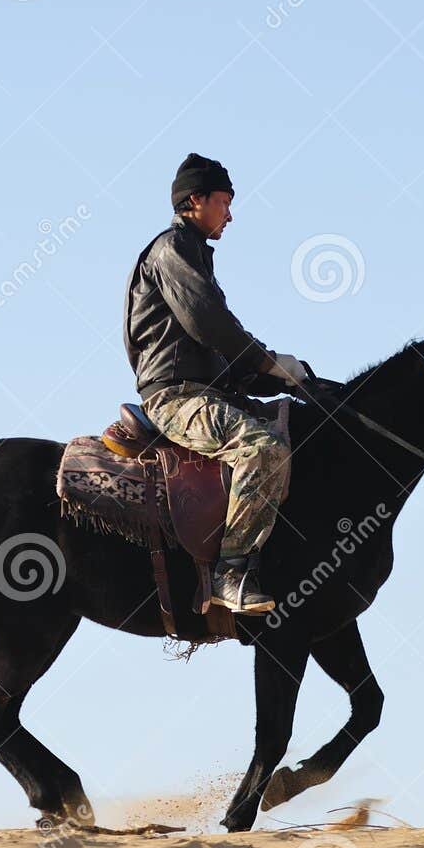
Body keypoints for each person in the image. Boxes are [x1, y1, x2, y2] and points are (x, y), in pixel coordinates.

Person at [122, 153, 311, 613]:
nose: (230, 214)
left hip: (203, 389)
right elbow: (210, 324)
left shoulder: (194, 256)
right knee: (261, 449)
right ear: (195, 200)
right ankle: (231, 573)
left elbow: (217, 349)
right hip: (176, 397)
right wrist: (268, 361)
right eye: (224, 202)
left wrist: (283, 377)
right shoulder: (171, 250)